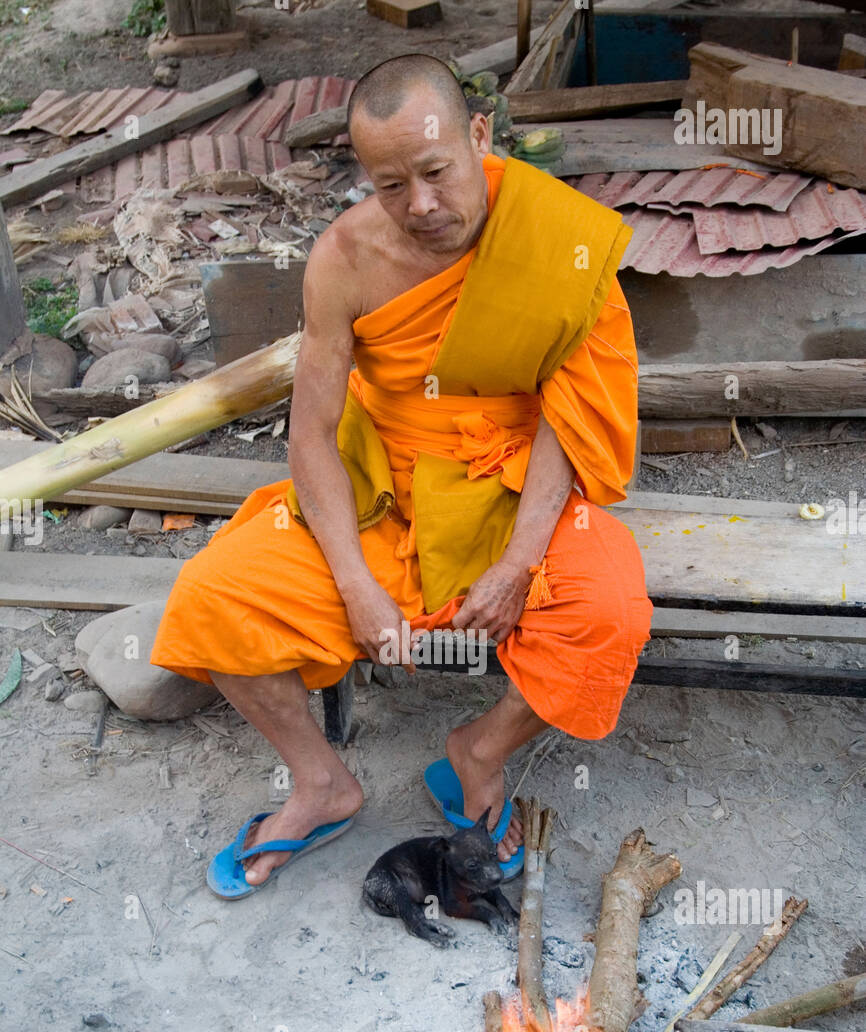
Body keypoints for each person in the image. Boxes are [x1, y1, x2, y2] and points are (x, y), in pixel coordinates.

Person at [150, 53, 654, 900]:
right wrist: (353, 581)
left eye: (436, 172)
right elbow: (309, 433)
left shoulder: (559, 238)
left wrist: (520, 563)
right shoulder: (343, 257)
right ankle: (321, 783)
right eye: (391, 186)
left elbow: (570, 423)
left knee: (608, 614)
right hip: (385, 492)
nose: (421, 206)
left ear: (480, 137)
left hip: (515, 495)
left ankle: (477, 756)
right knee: (211, 597)